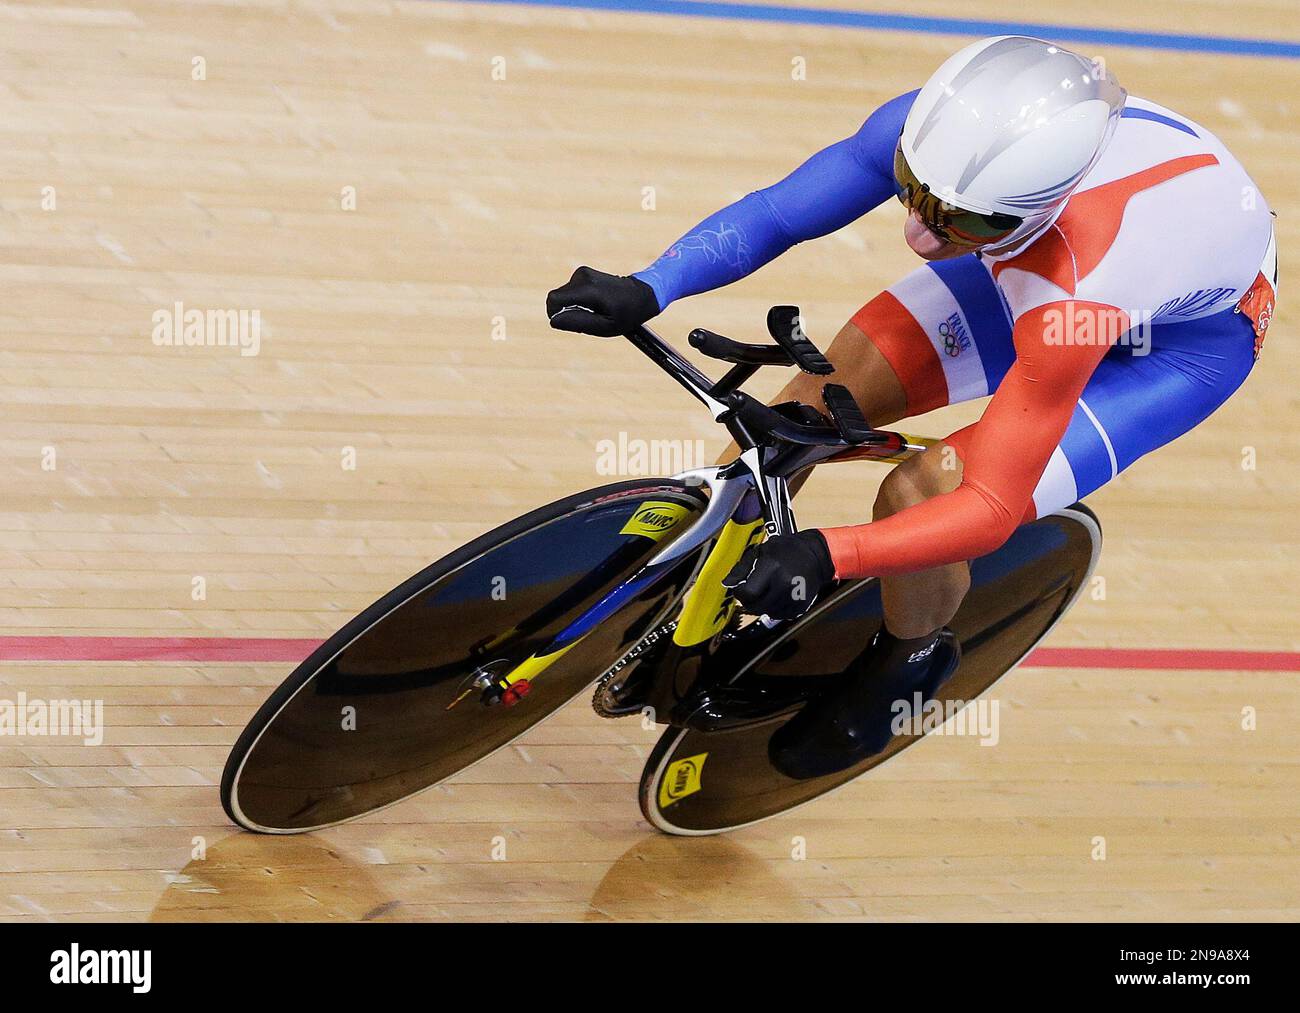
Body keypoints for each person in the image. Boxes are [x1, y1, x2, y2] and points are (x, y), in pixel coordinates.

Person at [546, 35, 1277, 774]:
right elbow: (778, 213)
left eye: (960, 220)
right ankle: (689, 587)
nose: (922, 233)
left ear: (1033, 210)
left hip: (1180, 344)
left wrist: (830, 553)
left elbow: (991, 506)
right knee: (805, 407)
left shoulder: (1078, 282)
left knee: (921, 491)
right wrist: (651, 285)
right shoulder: (937, 136)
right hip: (1044, 262)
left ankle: (909, 658)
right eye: (912, 191)